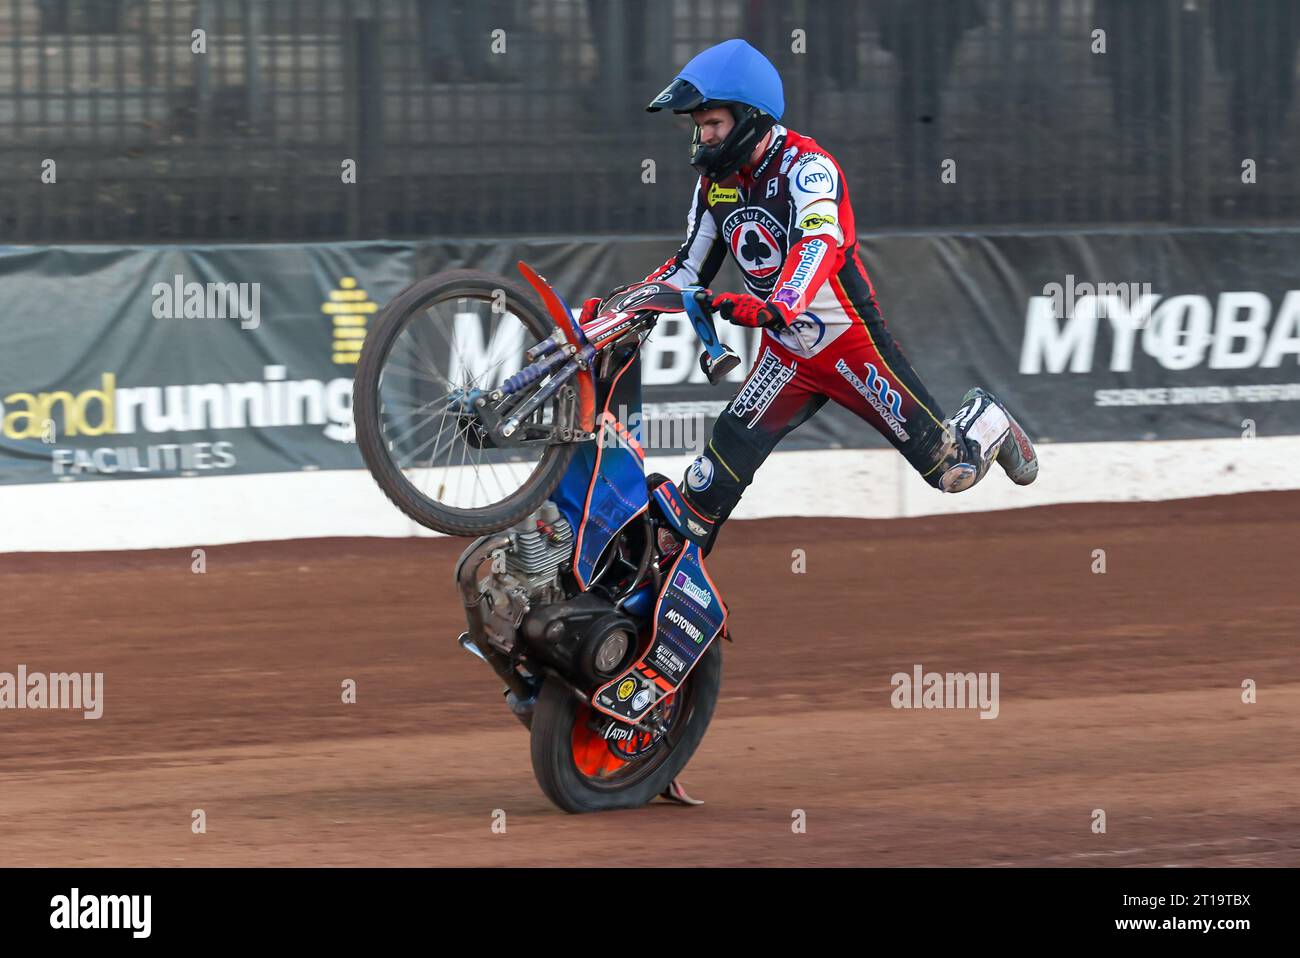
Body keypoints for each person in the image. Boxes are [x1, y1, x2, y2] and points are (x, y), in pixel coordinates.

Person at [581, 39, 1037, 553]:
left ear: (750, 117)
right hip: (785, 356)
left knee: (952, 471)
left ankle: (986, 418)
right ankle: (657, 591)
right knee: (704, 492)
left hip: (850, 346)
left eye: (713, 125)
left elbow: (819, 244)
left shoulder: (808, 166)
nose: (702, 139)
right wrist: (625, 304)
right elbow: (688, 269)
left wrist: (780, 305)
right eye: (698, 127)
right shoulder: (715, 185)